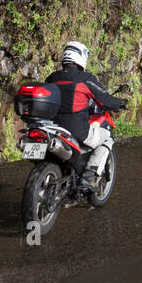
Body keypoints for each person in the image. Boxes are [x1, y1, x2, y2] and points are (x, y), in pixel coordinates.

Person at [46, 41, 127, 190]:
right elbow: (105, 99)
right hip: (77, 131)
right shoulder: (85, 79)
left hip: (51, 129)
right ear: (81, 57)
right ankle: (88, 176)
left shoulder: (52, 78)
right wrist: (121, 103)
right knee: (107, 138)